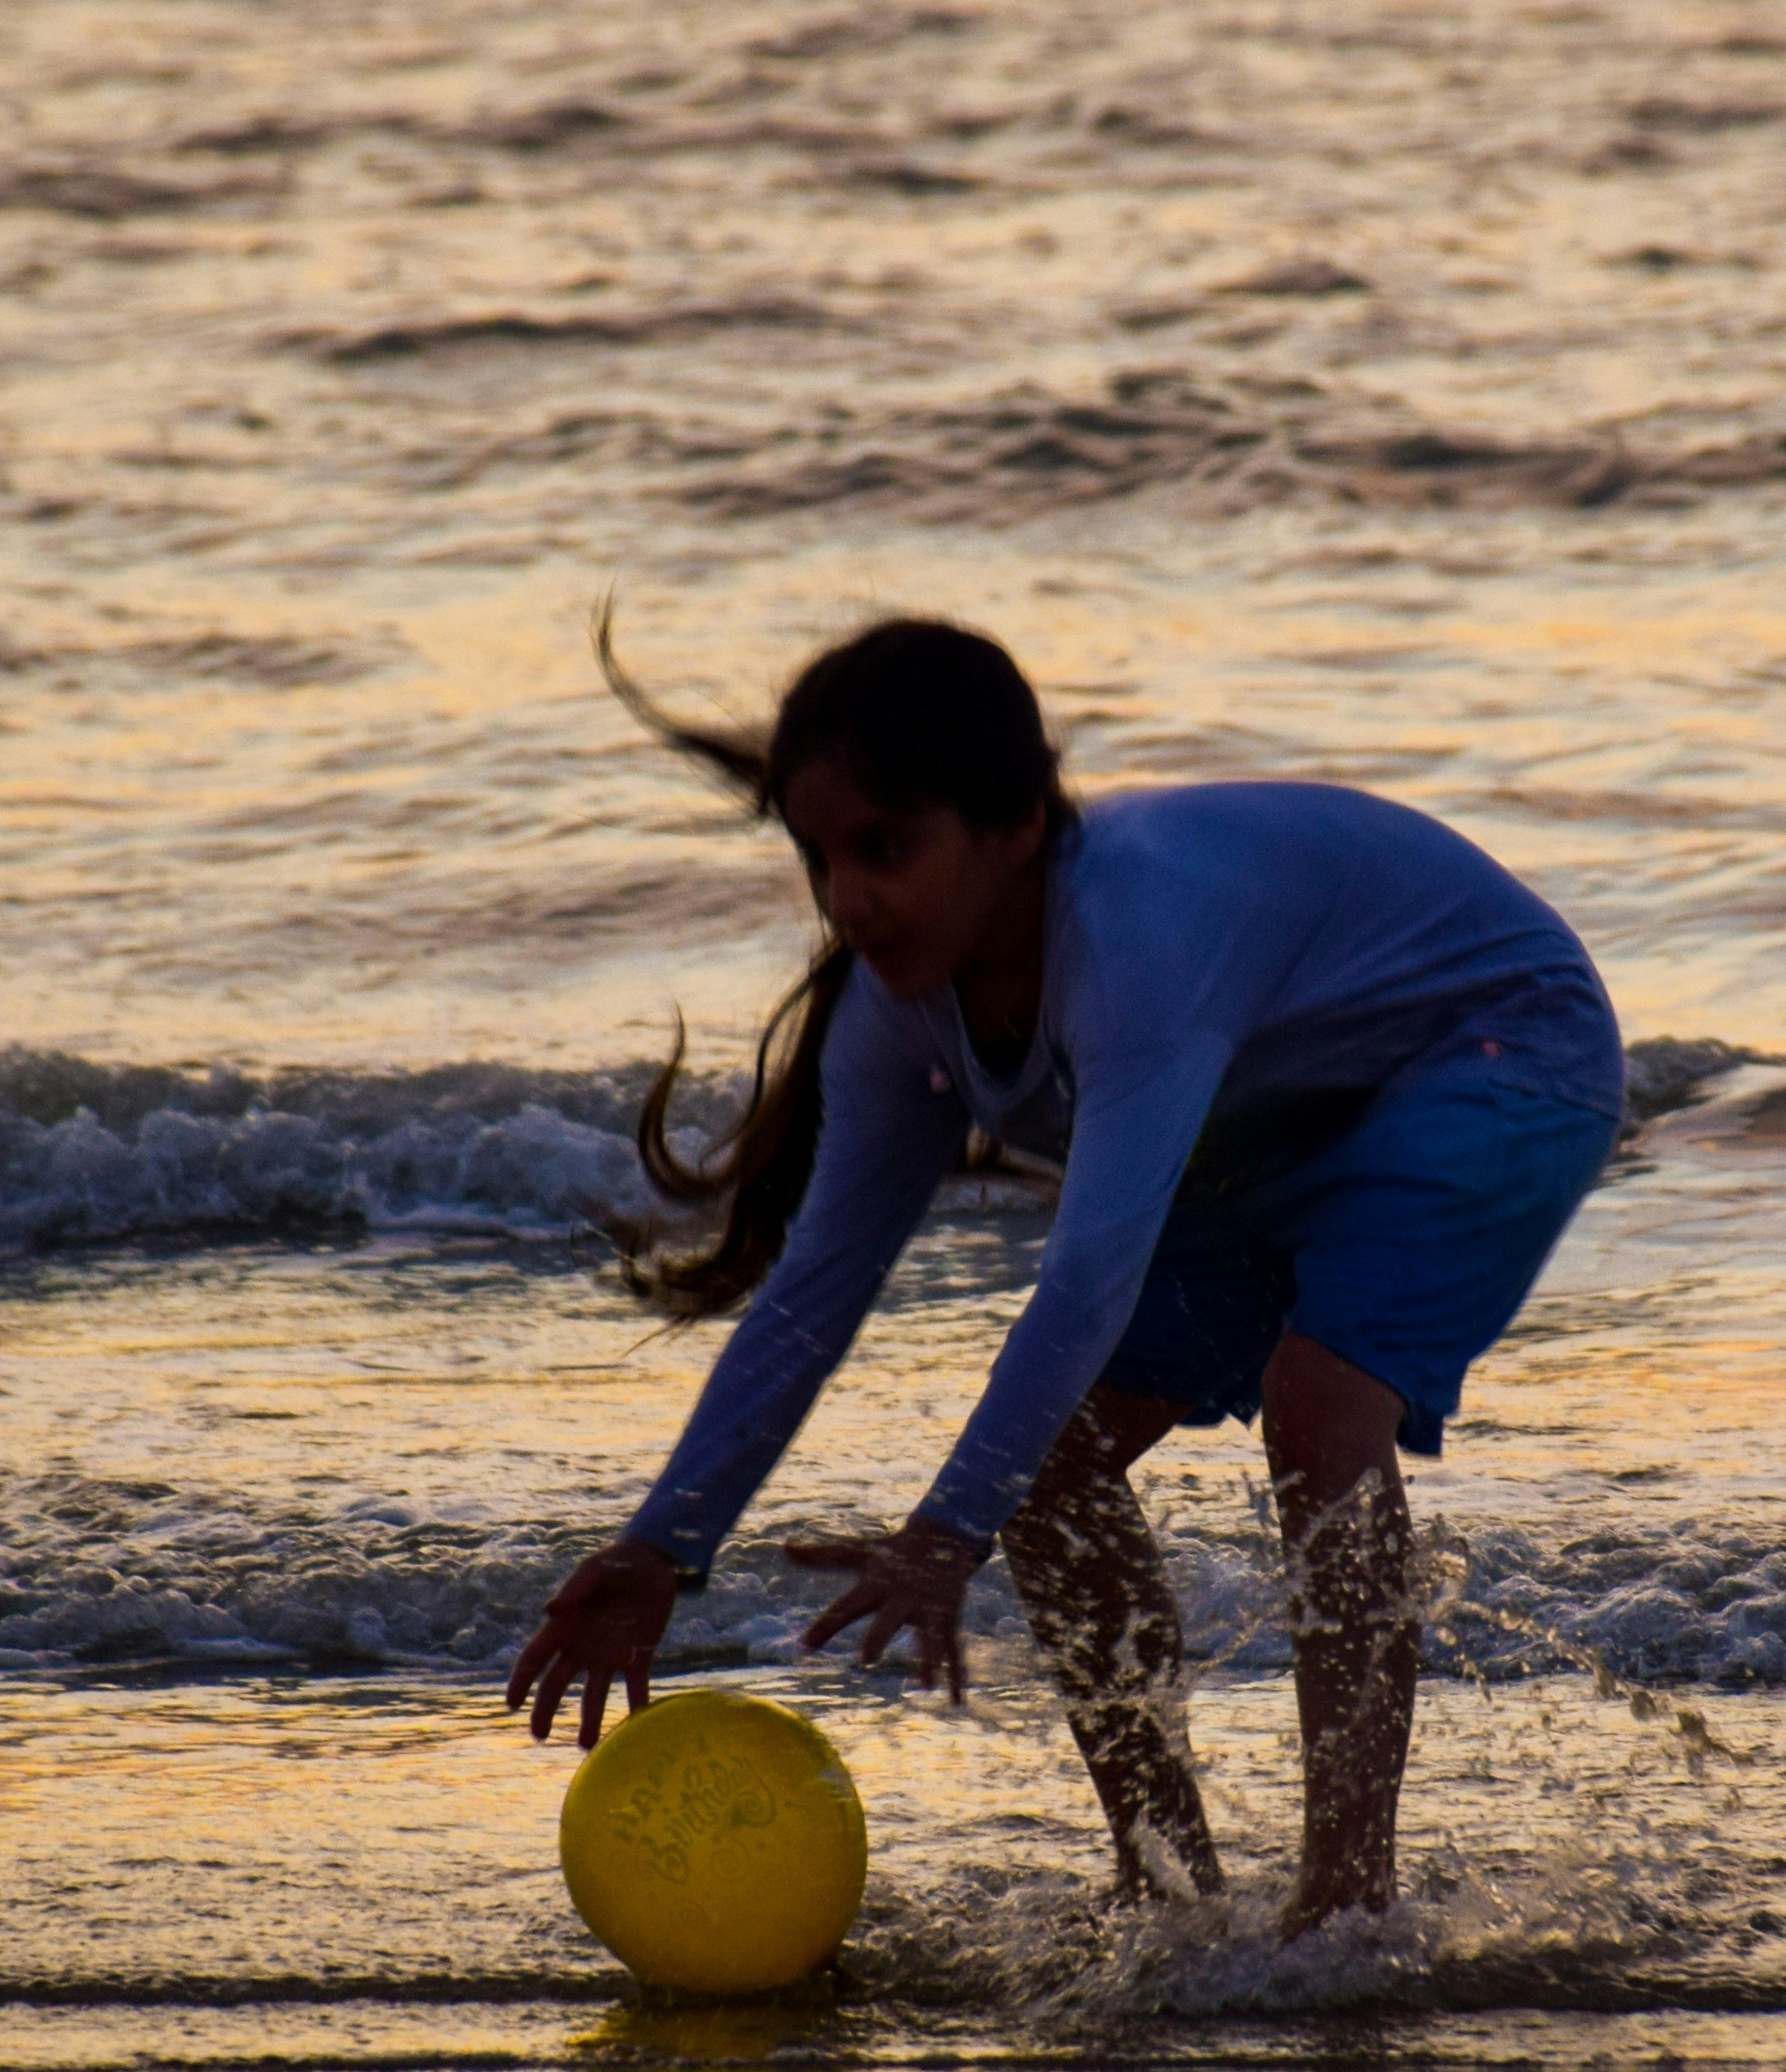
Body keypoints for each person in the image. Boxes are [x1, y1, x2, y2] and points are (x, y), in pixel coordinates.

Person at [506, 613, 1623, 1937]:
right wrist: (661, 1547)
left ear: (1017, 824)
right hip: (1267, 1125)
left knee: (1321, 1406)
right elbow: (812, 1301)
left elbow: (1086, 1285)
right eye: (819, 856)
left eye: (886, 847)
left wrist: (938, 1536)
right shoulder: (897, 1013)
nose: (848, 897)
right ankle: (1167, 1891)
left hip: (1498, 1044)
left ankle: (1344, 1908)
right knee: (1043, 1472)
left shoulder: (1134, 944)